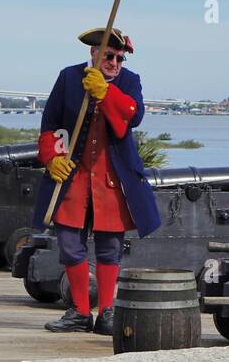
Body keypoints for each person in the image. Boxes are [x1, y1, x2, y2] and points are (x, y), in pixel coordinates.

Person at [34, 27, 161, 335]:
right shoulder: (68, 77)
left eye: (119, 58)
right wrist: (53, 159)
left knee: (109, 248)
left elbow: (134, 116)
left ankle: (106, 312)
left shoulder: (130, 82)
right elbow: (50, 124)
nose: (115, 63)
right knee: (68, 244)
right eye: (108, 56)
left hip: (111, 178)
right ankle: (79, 311)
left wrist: (106, 93)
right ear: (93, 53)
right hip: (74, 176)